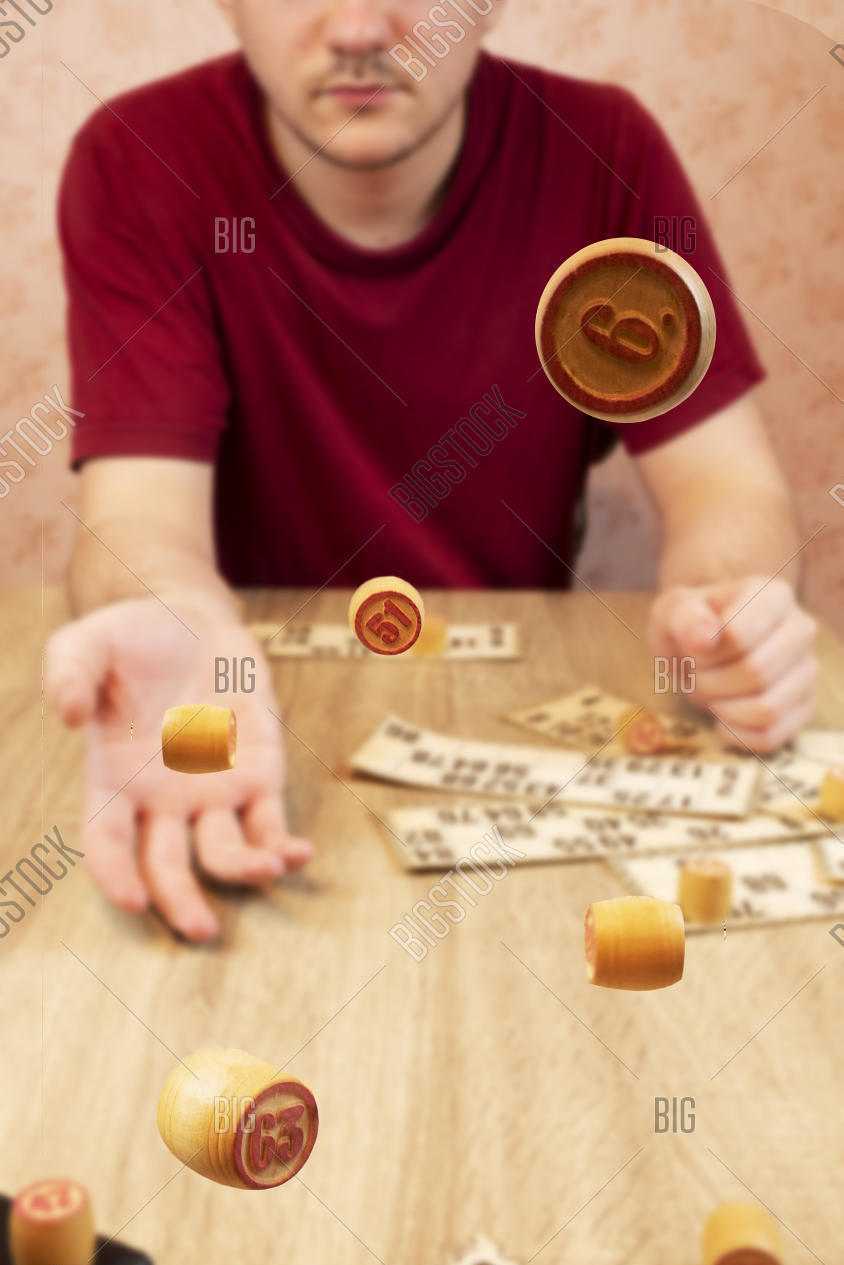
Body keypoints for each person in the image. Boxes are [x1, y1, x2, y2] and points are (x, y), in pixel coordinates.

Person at [46, 0, 818, 941]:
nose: (363, 29)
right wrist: (181, 621)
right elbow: (135, 517)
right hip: (260, 739)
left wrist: (730, 609)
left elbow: (729, 489)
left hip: (505, 759)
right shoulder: (138, 156)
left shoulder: (606, 145)